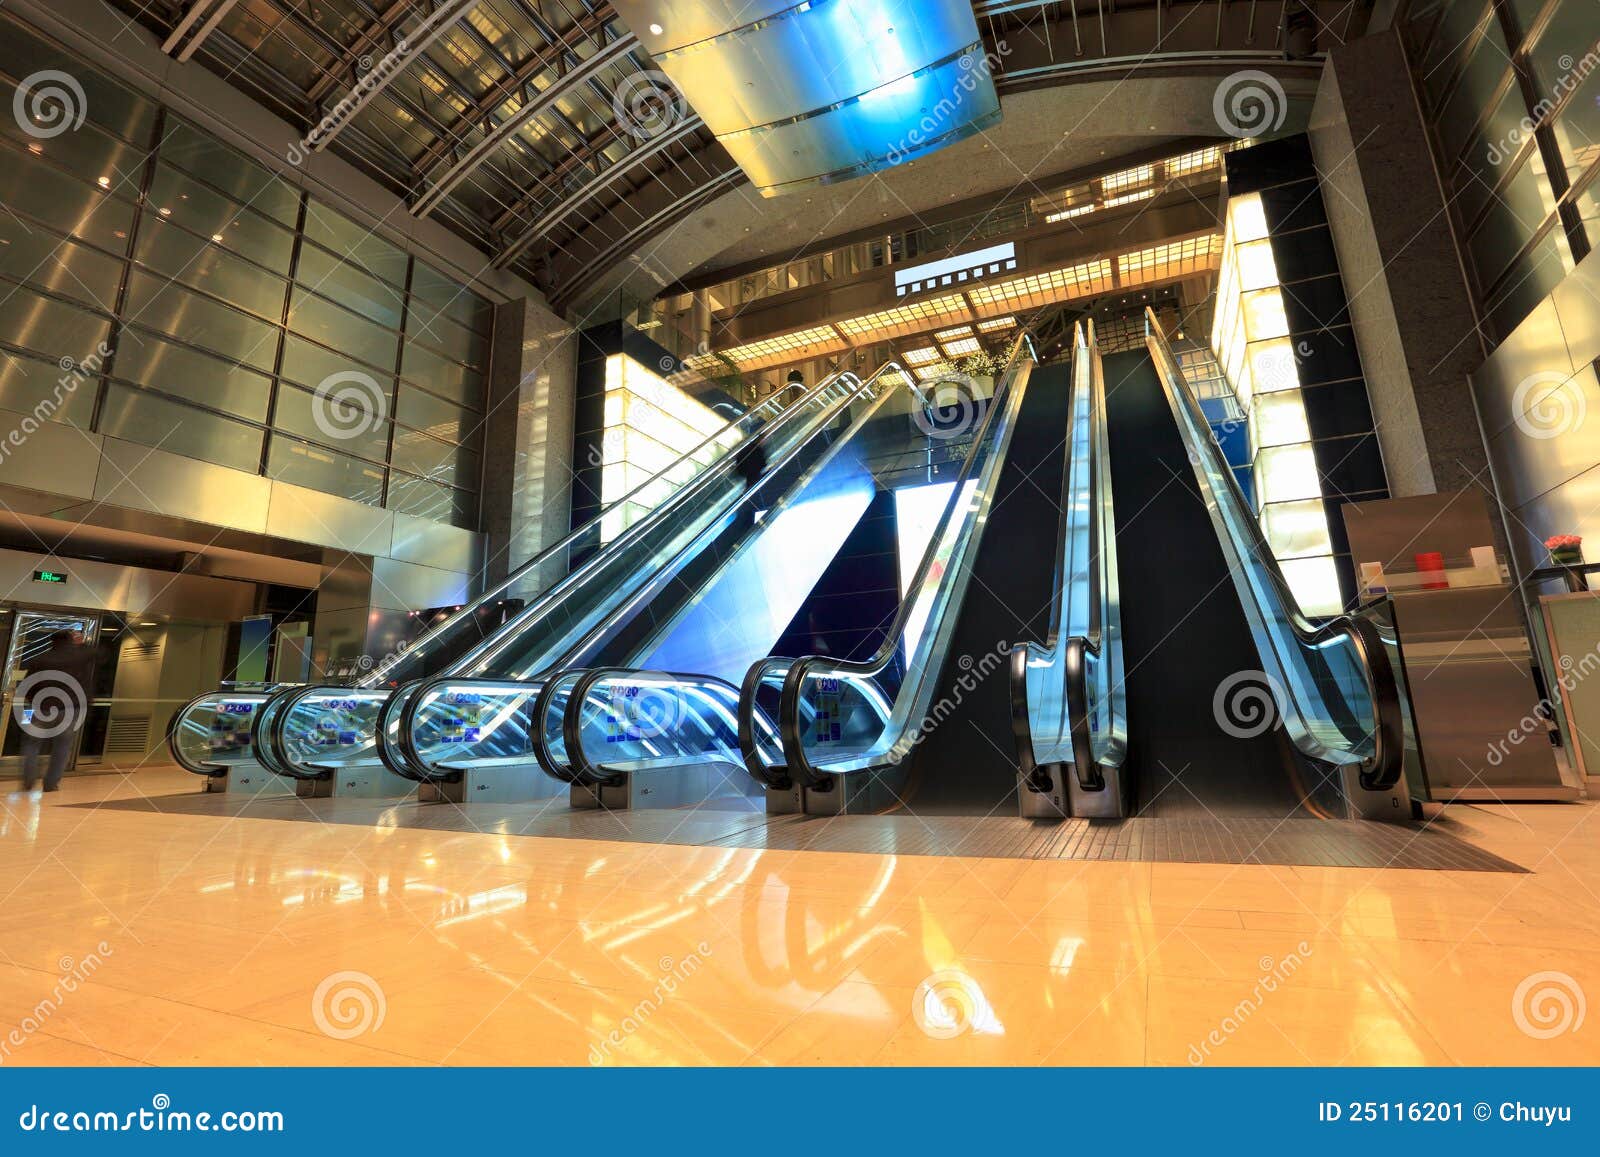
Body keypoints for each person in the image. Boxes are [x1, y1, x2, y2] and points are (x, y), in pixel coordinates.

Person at [17, 628, 96, 793]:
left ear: (52, 642)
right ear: (70, 641)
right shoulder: (79, 658)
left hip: (42, 707)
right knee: (62, 746)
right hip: (70, 710)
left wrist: (31, 701)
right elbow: (100, 655)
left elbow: (28, 685)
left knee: (31, 743)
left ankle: (29, 780)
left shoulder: (41, 659)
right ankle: (51, 784)